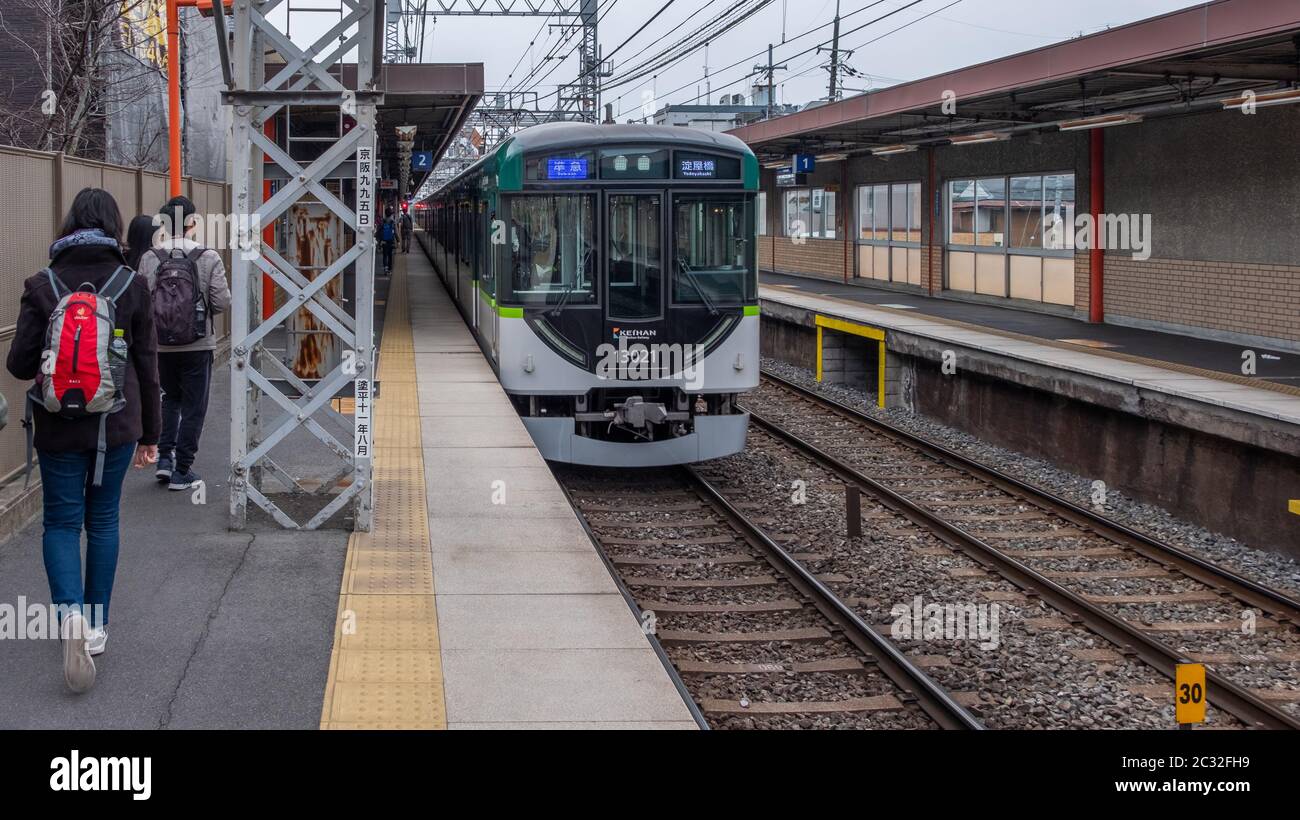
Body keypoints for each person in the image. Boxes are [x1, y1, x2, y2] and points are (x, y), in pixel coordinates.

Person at [6, 187, 161, 692]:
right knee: (104, 521)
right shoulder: (131, 284)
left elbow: (19, 364)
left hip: (56, 427)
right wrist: (151, 434)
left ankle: (68, 612)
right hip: (117, 424)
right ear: (114, 226)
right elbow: (148, 367)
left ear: (69, 224)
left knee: (60, 522)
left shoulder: (42, 283)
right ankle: (95, 626)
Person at [136, 196, 231, 492]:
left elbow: (141, 302)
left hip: (160, 346)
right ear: (192, 223)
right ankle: (182, 470)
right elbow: (221, 301)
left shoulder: (150, 257)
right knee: (194, 407)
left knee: (169, 399)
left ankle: (164, 459)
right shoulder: (208, 256)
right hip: (197, 344)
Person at [379, 209, 397, 274]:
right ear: (391, 214)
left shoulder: (382, 221)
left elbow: (379, 231)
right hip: (391, 241)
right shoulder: (393, 222)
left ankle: (385, 268)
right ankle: (389, 269)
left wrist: (380, 241)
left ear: (385, 214)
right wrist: (398, 241)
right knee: (390, 255)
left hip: (384, 241)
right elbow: (395, 232)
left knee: (385, 255)